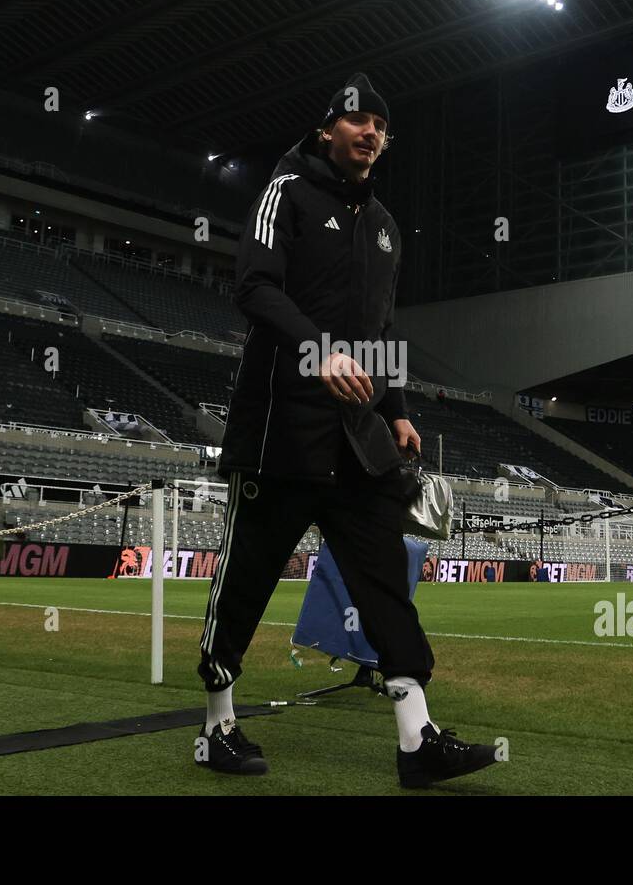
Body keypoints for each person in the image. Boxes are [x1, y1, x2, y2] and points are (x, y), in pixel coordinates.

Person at [195, 72, 499, 788]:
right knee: (245, 583)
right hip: (279, 435)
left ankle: (417, 740)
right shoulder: (286, 191)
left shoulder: (386, 225)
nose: (370, 132)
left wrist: (396, 410)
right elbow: (253, 286)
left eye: (381, 126)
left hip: (357, 442)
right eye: (358, 120)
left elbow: (379, 332)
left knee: (385, 583)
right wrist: (320, 351)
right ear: (328, 129)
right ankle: (216, 728)